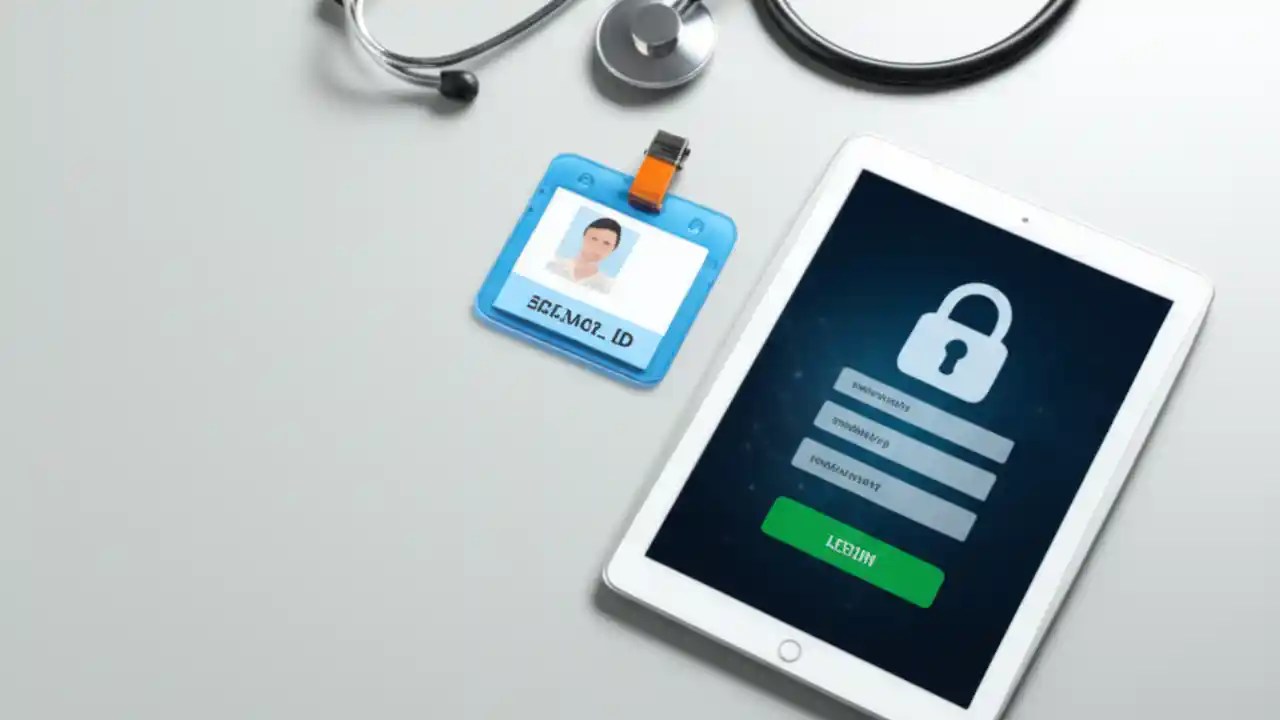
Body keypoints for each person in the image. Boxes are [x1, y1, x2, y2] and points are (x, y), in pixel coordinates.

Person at [546, 217, 622, 293]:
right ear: (584, 237)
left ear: (613, 249)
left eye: (606, 243)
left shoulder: (607, 287)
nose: (597, 247)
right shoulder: (553, 264)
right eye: (594, 239)